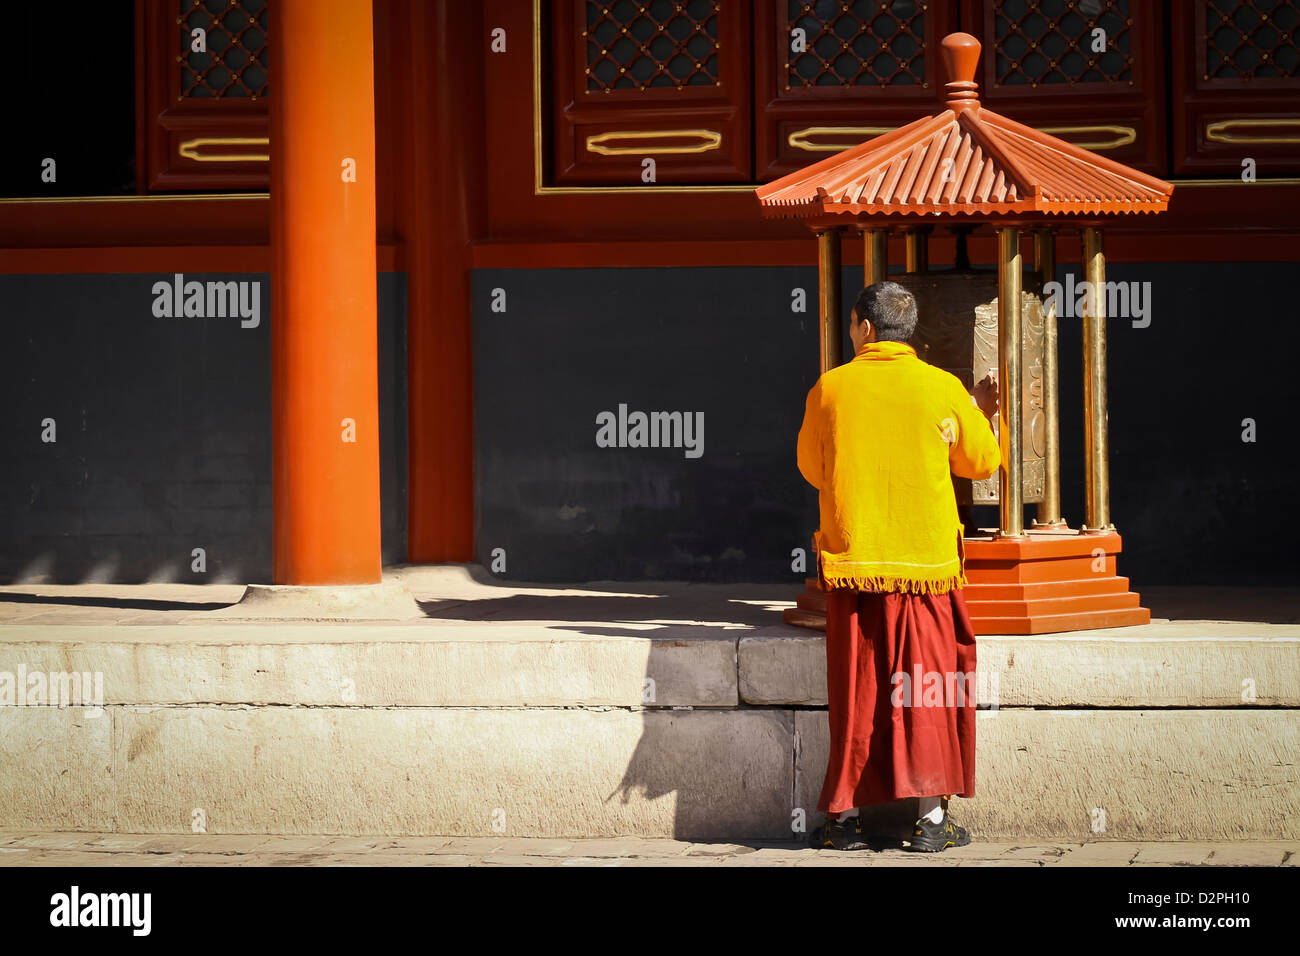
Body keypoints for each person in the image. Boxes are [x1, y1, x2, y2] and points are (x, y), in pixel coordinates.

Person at [796, 280, 1001, 852]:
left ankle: (845, 820)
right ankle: (930, 823)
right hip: (926, 568)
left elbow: (813, 467)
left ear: (864, 328)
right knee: (928, 691)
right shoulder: (942, 388)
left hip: (856, 566)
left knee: (858, 691)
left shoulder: (830, 389)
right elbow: (981, 461)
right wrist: (981, 414)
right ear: (908, 332)